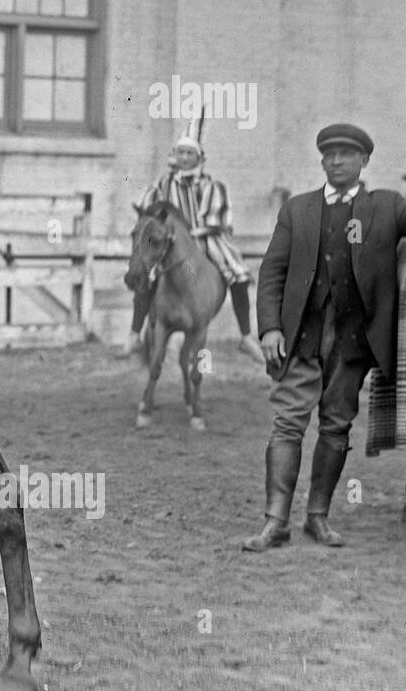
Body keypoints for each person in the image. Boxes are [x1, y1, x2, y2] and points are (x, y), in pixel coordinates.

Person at [244, 124, 406, 550]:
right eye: (330, 154)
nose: (336, 161)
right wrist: (270, 328)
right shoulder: (298, 210)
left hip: (354, 342)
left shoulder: (389, 207)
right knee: (287, 424)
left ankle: (318, 517)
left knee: (336, 425)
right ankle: (275, 522)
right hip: (301, 337)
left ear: (364, 161)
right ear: (321, 160)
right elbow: (272, 273)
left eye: (347, 154)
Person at [118, 125, 266, 364]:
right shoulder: (163, 185)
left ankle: (246, 335)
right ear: (174, 157)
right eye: (181, 153)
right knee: (146, 271)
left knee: (236, 273)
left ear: (199, 158)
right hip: (170, 240)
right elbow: (148, 212)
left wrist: (191, 232)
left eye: (190, 154)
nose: (185, 159)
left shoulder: (211, 186)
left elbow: (216, 220)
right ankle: (135, 333)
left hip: (205, 237)